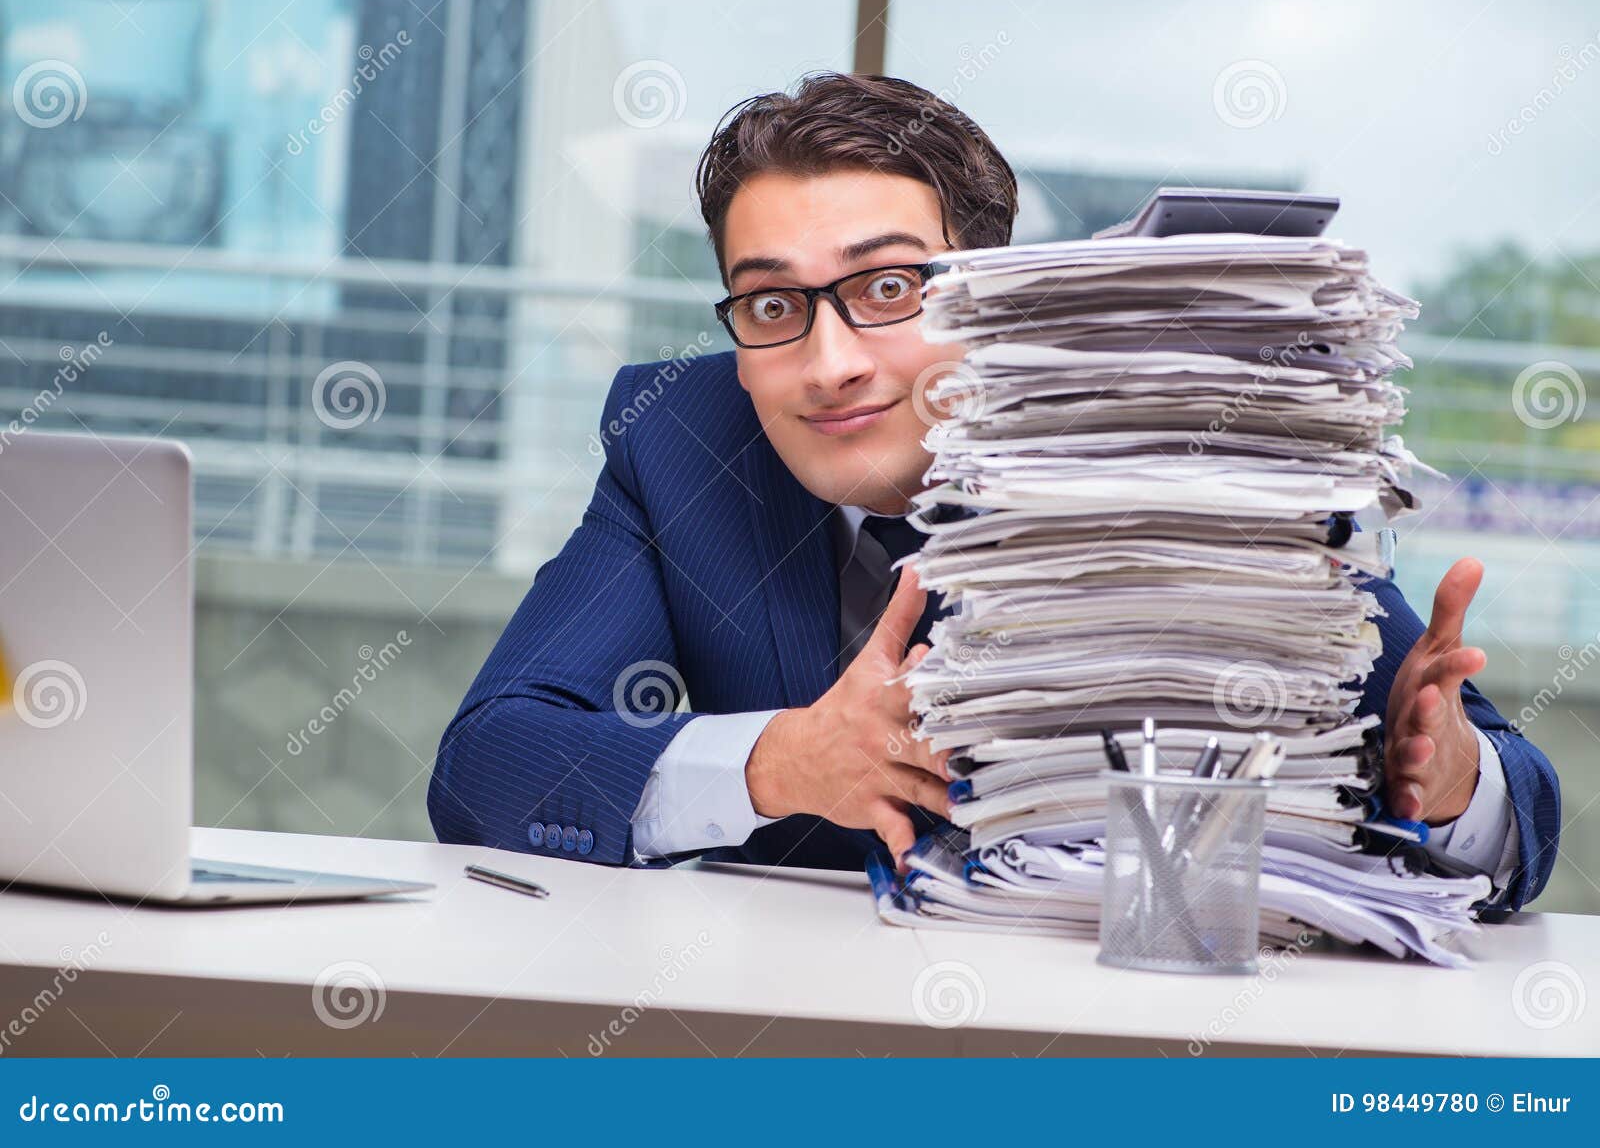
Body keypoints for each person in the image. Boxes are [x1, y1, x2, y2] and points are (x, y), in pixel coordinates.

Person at [429, 72, 1559, 910]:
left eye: (885, 288)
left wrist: (1453, 785)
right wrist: (781, 761)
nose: (829, 364)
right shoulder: (680, 439)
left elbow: (1516, 812)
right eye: (772, 304)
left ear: (995, 299)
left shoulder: (1183, 451)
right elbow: (490, 766)